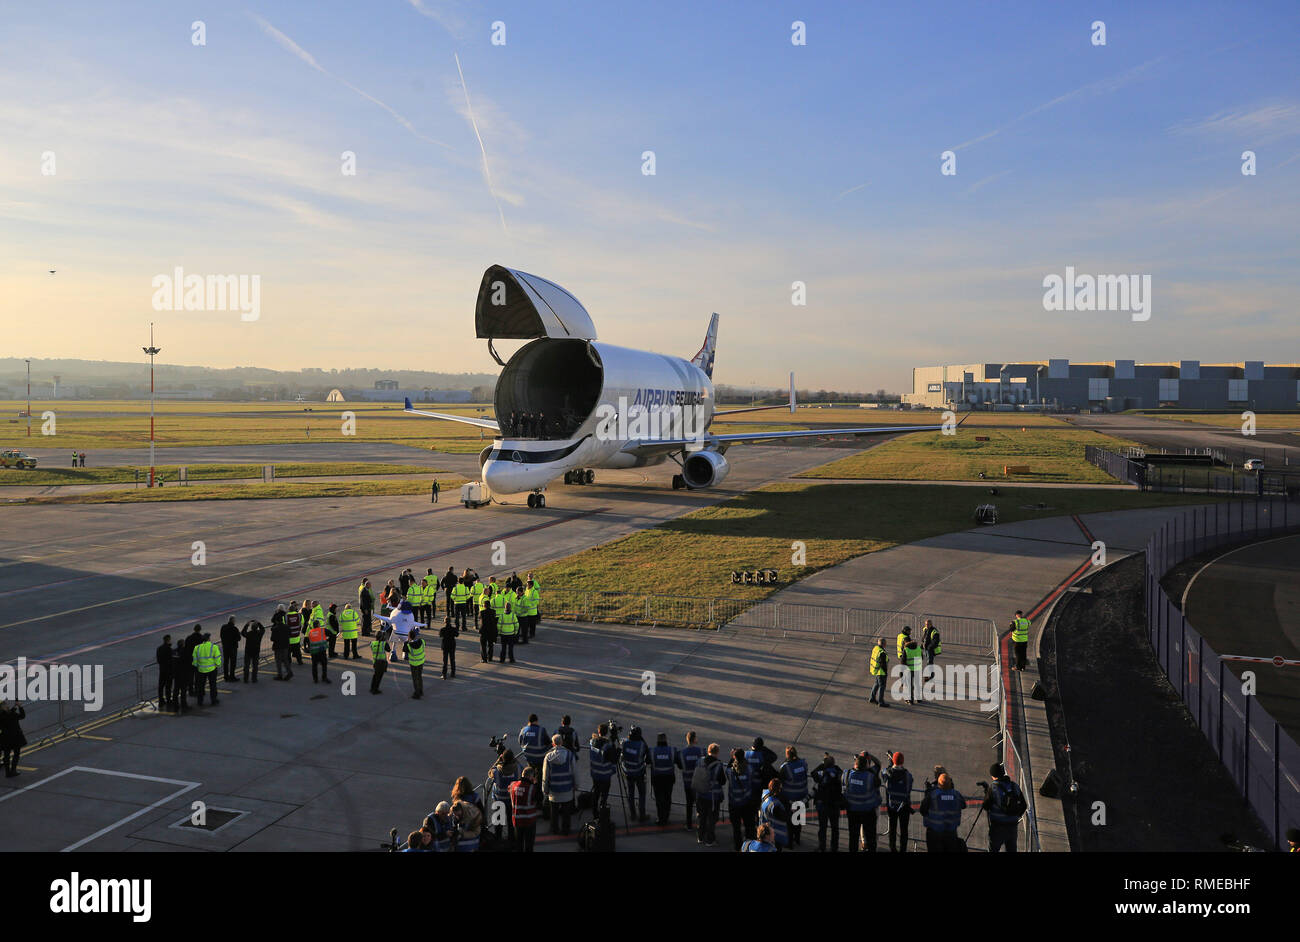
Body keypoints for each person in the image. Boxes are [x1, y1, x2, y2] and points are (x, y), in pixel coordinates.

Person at [843, 751, 882, 852]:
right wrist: (870, 756)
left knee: (853, 838)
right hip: (868, 812)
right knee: (871, 838)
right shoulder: (870, 776)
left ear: (855, 764)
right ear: (866, 765)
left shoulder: (847, 774)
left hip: (853, 812)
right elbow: (878, 764)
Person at [983, 763, 1026, 852]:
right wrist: (1015, 816)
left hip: (998, 826)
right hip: (1012, 826)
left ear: (993, 776)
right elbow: (1024, 805)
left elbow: (986, 806)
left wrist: (986, 793)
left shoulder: (993, 787)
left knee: (993, 849)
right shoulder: (1015, 786)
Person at [920, 768, 966, 852]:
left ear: (939, 784)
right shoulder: (956, 794)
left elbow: (922, 810)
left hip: (934, 833)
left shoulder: (933, 795)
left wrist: (928, 791)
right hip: (951, 833)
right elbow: (964, 805)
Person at [691, 742, 725, 846]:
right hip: (712, 797)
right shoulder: (718, 765)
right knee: (712, 819)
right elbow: (722, 781)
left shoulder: (700, 761)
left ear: (708, 751)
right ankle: (710, 840)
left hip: (700, 794)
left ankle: (700, 837)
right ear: (717, 752)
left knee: (701, 817)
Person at [542, 734, 577, 835]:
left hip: (554, 790)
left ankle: (554, 829)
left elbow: (545, 775)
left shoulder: (548, 757)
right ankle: (566, 829)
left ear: (553, 744)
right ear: (562, 742)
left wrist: (545, 789)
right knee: (566, 812)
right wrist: (576, 785)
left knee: (554, 812)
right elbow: (575, 772)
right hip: (567, 788)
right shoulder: (570, 755)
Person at [811, 752, 844, 852]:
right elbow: (841, 774)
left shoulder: (821, 772)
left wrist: (823, 763)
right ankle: (834, 848)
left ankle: (822, 847)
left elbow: (813, 773)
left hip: (823, 805)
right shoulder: (838, 772)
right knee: (835, 828)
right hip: (834, 805)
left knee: (822, 828)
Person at [488, 749, 521, 844]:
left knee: (498, 822)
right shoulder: (518, 768)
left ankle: (498, 840)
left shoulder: (497, 771)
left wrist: (498, 760)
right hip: (512, 799)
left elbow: (489, 772)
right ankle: (511, 840)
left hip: (499, 799)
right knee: (511, 822)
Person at [883, 752, 914, 853]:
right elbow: (909, 787)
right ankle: (903, 849)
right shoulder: (907, 775)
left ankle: (893, 848)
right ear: (903, 761)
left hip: (892, 805)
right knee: (904, 830)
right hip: (904, 806)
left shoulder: (888, 773)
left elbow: (883, 773)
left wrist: (890, 765)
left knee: (892, 829)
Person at [778, 746, 809, 846]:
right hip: (802, 797)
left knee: (790, 822)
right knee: (799, 821)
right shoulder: (803, 763)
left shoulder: (785, 767)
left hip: (790, 799)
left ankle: (790, 842)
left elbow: (780, 780)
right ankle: (797, 839)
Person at [725, 747, 755, 851]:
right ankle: (749, 847)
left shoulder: (730, 772)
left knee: (736, 828)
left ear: (735, 757)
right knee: (749, 826)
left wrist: (732, 757)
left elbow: (728, 768)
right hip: (746, 802)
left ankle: (738, 847)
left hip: (734, 804)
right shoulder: (749, 769)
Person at [621, 726, 650, 823]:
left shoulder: (625, 743)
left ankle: (632, 814)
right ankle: (642, 815)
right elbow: (648, 754)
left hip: (628, 772)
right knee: (642, 793)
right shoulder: (641, 745)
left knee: (631, 793)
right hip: (639, 772)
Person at [510, 767, 542, 852]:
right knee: (529, 844)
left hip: (517, 820)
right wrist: (535, 784)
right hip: (529, 820)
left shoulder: (513, 785)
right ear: (531, 776)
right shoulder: (532, 788)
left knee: (518, 843)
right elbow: (539, 800)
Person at [677, 731, 704, 831]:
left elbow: (680, 765)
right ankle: (700, 825)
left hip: (687, 783)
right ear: (694, 739)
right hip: (698, 783)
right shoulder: (700, 752)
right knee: (699, 805)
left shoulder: (682, 753)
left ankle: (689, 825)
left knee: (689, 804)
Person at [650, 732, 678, 826]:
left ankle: (660, 818)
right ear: (666, 740)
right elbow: (678, 761)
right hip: (668, 778)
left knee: (659, 799)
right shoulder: (672, 750)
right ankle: (666, 818)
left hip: (657, 778)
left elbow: (647, 760)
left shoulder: (653, 751)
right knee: (667, 798)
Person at [588, 723, 616, 811]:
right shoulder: (608, 745)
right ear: (606, 732)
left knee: (596, 794)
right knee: (604, 795)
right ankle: (602, 813)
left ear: (598, 731)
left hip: (595, 773)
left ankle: (595, 814)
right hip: (605, 774)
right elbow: (613, 760)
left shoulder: (592, 742)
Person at [745, 737, 778, 807]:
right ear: (761, 746)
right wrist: (764, 748)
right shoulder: (762, 756)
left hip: (748, 784)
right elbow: (774, 756)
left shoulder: (746, 754)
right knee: (759, 803)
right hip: (759, 784)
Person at [758, 778, 790, 850]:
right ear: (779, 789)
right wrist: (791, 811)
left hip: (764, 829)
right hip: (775, 834)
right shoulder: (775, 805)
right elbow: (784, 817)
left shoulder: (765, 794)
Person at [192, 630, 221, 705]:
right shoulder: (214, 647)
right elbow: (217, 657)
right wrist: (218, 664)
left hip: (201, 670)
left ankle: (200, 701)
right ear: (208, 639)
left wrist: (197, 666)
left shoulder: (197, 648)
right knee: (213, 685)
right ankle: (213, 700)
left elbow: (194, 660)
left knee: (200, 686)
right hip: (212, 670)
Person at [1, 701, 28, 777]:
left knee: (6, 755)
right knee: (16, 753)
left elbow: (8, 715)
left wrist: (15, 707)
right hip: (15, 737)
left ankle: (7, 772)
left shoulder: (4, 715)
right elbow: (22, 716)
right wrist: (19, 707)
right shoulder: (12, 714)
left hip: (5, 737)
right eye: (5, 705)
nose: (7, 706)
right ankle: (13, 770)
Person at [518, 714, 550, 778]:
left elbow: (520, 741)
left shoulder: (523, 730)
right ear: (536, 721)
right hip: (540, 757)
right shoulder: (541, 730)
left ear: (529, 721)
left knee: (530, 772)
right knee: (539, 774)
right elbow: (548, 742)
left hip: (528, 757)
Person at [270, 606, 293, 681]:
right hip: (286, 645)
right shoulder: (287, 627)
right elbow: (290, 634)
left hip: (278, 647)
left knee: (278, 661)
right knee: (285, 659)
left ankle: (279, 675)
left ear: (276, 621)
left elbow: (272, 639)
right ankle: (289, 672)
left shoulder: (275, 629)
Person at [403, 628, 426, 698]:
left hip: (413, 664)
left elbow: (404, 650)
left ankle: (417, 693)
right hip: (421, 662)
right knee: (419, 676)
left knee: (415, 678)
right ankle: (421, 690)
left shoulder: (408, 645)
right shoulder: (422, 641)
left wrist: (407, 641)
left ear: (409, 637)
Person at [241, 619, 265, 683]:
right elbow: (263, 629)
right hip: (256, 651)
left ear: (251, 628)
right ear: (257, 627)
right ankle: (254, 679)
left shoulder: (249, 634)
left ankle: (246, 679)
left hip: (248, 651)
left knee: (246, 666)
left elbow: (243, 632)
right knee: (255, 666)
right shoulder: (259, 634)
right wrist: (259, 622)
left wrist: (246, 625)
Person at [307, 619, 331, 684]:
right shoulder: (322, 630)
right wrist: (327, 640)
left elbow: (309, 642)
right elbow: (331, 634)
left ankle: (315, 679)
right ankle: (324, 677)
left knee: (314, 666)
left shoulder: (310, 632)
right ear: (318, 625)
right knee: (324, 665)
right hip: (321, 650)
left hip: (314, 651)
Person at [868, 637, 889, 708]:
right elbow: (883, 664)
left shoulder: (876, 649)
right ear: (884, 644)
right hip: (881, 672)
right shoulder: (882, 652)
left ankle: (872, 698)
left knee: (876, 684)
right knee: (882, 686)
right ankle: (881, 701)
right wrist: (886, 672)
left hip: (876, 670)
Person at [479, 585, 497, 662]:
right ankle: (490, 657)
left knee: (483, 645)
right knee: (490, 645)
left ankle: (484, 658)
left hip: (484, 630)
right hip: (491, 630)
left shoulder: (482, 612)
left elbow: (480, 618)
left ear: (484, 605)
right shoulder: (493, 612)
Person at [369, 628, 391, 694]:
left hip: (375, 662)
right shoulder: (383, 644)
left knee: (375, 675)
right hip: (381, 662)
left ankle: (372, 687)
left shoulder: (372, 643)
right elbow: (388, 650)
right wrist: (386, 641)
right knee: (379, 677)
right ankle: (375, 689)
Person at [155, 634, 174, 709]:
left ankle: (161, 700)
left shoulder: (159, 648)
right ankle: (168, 700)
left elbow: (158, 660)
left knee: (161, 686)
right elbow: (171, 660)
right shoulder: (169, 649)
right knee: (168, 686)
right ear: (168, 640)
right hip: (168, 670)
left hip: (162, 669)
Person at [171, 638, 190, 712]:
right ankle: (183, 704)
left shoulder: (174, 652)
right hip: (183, 674)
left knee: (176, 690)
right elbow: (188, 662)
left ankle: (175, 704)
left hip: (176, 674)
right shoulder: (185, 652)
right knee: (183, 690)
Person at [903, 637, 923, 704]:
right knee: (917, 684)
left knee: (909, 685)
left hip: (909, 670)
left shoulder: (906, 650)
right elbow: (922, 657)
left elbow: (903, 662)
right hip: (918, 669)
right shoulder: (918, 648)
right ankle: (918, 698)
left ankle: (910, 700)